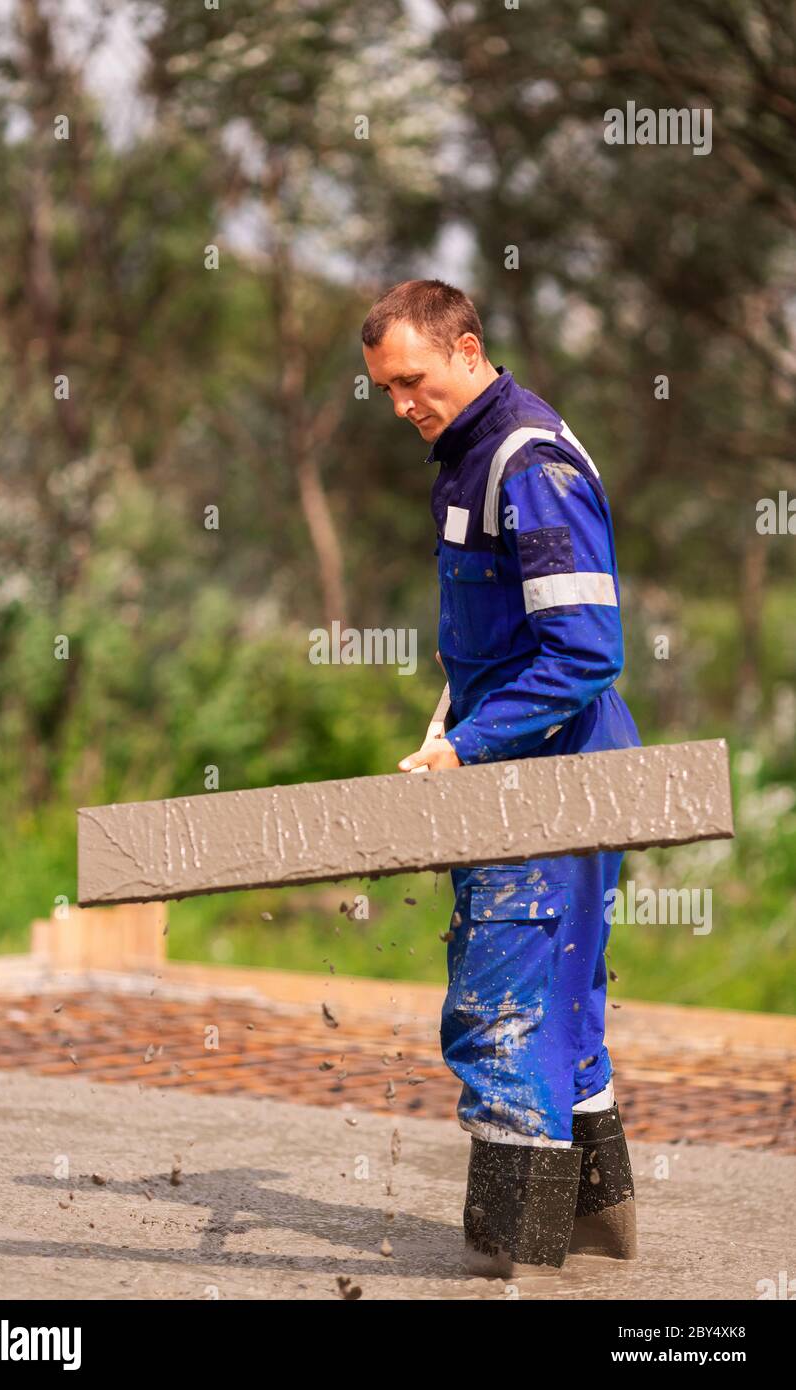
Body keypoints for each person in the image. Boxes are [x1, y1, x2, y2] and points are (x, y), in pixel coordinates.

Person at [361, 278, 640, 1278]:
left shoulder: (525, 461)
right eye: (384, 389)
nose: (398, 405)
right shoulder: (471, 456)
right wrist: (445, 725)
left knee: (503, 1001)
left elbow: (581, 651)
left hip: (551, 772)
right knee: (561, 995)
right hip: (526, 758)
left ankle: (510, 1261)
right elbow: (497, 641)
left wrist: (470, 750)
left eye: (410, 380)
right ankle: (600, 1229)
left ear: (466, 350)